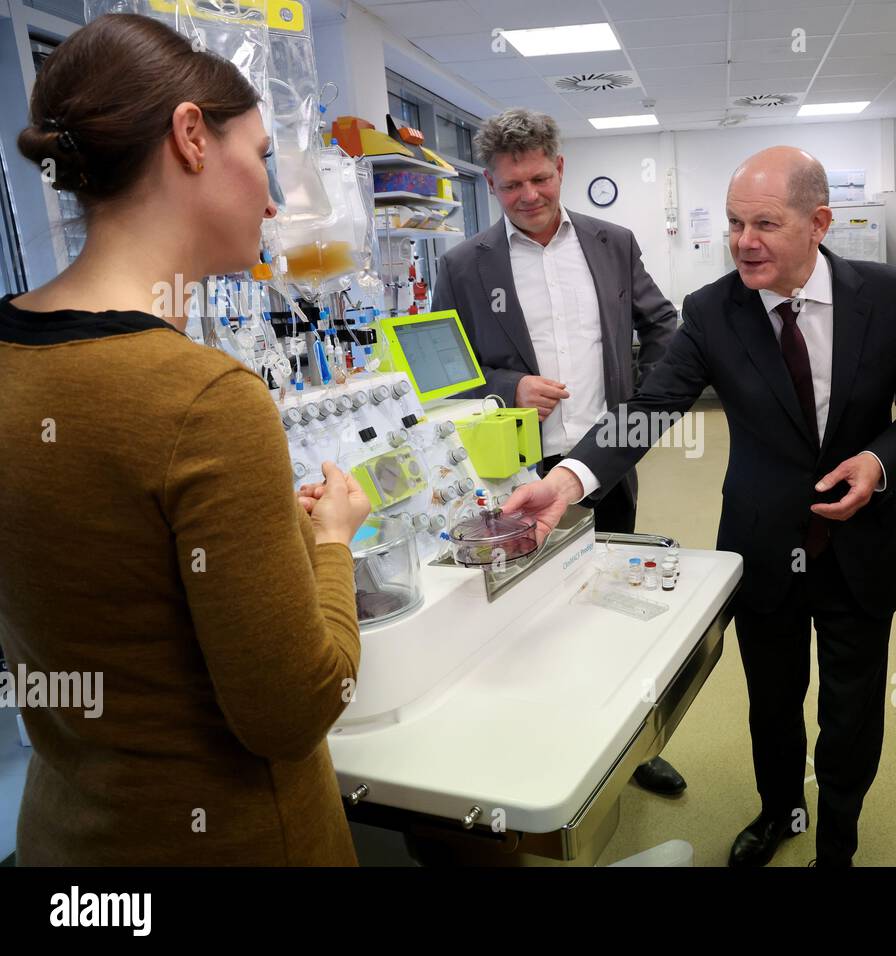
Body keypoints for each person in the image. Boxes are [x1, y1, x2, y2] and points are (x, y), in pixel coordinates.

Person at [502, 146, 896, 867]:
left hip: (862, 544)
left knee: (850, 712)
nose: (744, 241)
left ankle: (837, 841)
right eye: (736, 223)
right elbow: (648, 408)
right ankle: (780, 812)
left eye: (765, 223)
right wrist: (567, 481)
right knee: (772, 705)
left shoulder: (889, 296)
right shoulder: (714, 310)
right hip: (766, 544)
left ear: (819, 223)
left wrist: (878, 461)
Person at [0, 13, 371, 865]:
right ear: (192, 137)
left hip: (72, 845)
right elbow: (296, 708)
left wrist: (241, 532)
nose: (275, 199)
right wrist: (328, 546)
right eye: (263, 157)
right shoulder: (204, 401)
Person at [429, 108, 686, 796]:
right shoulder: (463, 264)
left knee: (618, 605)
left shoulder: (612, 243)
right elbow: (437, 373)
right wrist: (508, 385)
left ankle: (633, 745)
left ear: (559, 167)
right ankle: (541, 750)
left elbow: (664, 328)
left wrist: (642, 410)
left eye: (539, 178)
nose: (529, 196)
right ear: (491, 184)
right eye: (512, 186)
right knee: (526, 620)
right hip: (516, 476)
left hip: (606, 460)